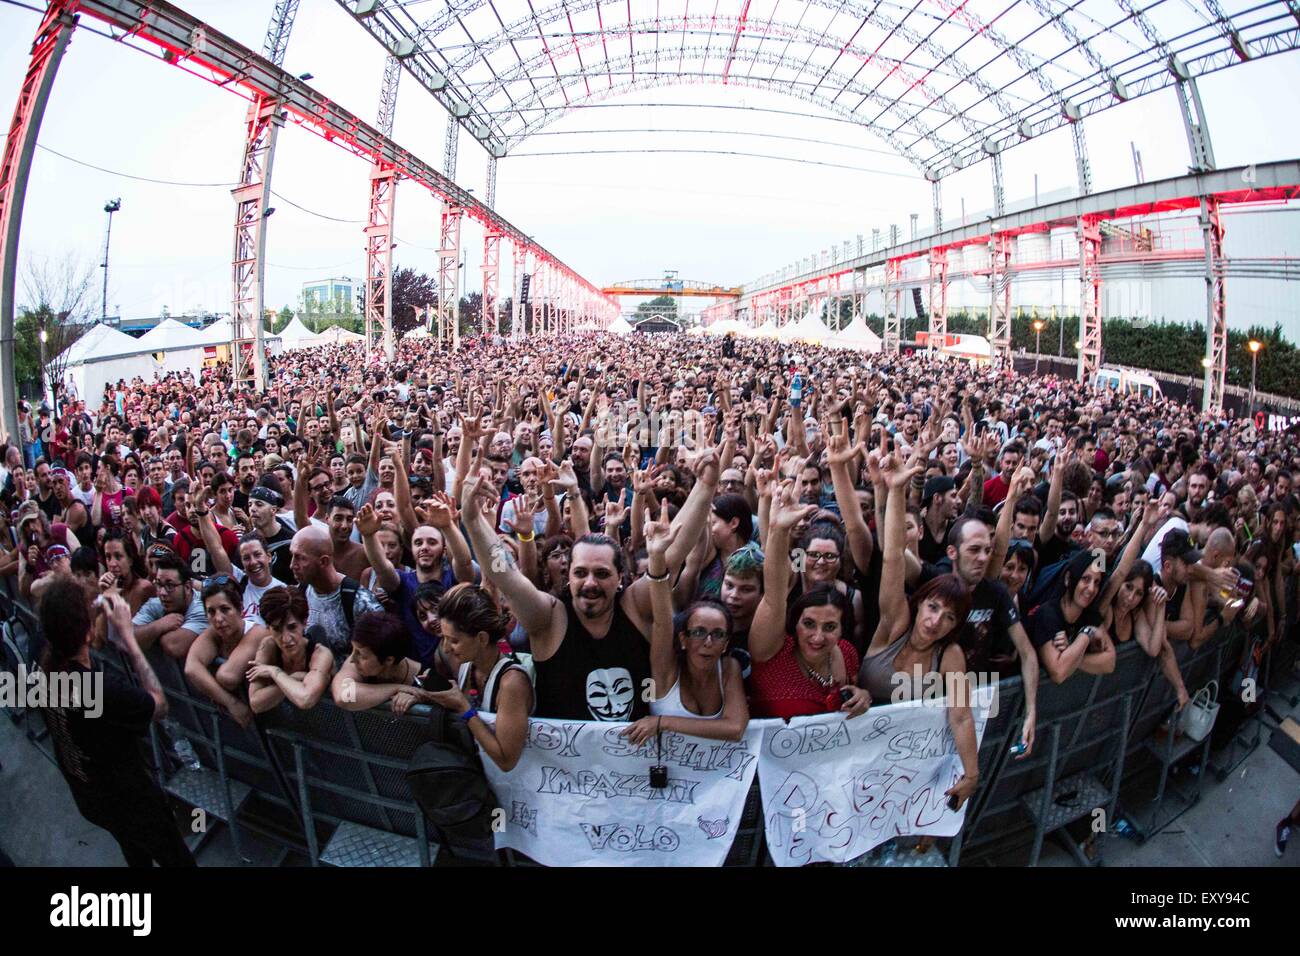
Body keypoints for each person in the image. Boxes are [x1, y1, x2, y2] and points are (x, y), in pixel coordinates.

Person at [40, 580, 195, 867]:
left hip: (90, 795)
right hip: (129, 798)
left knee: (135, 851)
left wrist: (92, 607)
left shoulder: (48, 667)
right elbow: (159, 706)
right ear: (87, 633)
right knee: (173, 856)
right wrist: (129, 639)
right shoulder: (100, 690)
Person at [858, 450, 980, 810]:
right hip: (853, 760)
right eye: (933, 608)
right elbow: (893, 556)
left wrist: (971, 774)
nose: (935, 621)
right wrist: (895, 492)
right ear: (920, 603)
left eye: (948, 618)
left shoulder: (950, 655)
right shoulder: (895, 625)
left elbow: (960, 715)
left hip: (903, 772)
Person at [622, 500, 749, 743]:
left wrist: (662, 723)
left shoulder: (729, 668)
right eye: (699, 632)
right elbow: (661, 619)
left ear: (726, 643)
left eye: (718, 634)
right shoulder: (665, 667)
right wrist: (657, 557)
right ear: (683, 638)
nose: (708, 642)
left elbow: (735, 728)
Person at [747, 479, 871, 720]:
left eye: (830, 627)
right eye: (809, 623)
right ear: (794, 622)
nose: (817, 636)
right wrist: (779, 529)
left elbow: (857, 699)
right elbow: (774, 594)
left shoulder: (847, 655)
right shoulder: (772, 652)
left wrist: (863, 695)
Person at [404, 584, 535, 772]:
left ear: (482, 638)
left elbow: (507, 760)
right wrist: (425, 695)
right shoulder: (466, 665)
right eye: (445, 639)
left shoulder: (512, 683)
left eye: (454, 640)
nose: (447, 648)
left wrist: (464, 708)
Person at [183, 576, 267, 728]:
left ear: (240, 608)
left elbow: (227, 677)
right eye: (211, 612)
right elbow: (191, 668)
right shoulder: (215, 632)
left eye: (225, 609)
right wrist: (232, 703)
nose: (218, 619)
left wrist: (210, 686)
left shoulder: (257, 633)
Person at [246, 586, 335, 713]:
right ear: (268, 628)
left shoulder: (321, 654)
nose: (286, 639)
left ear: (304, 622)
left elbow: (306, 699)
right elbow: (255, 703)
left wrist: (275, 672)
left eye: (292, 627)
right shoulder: (268, 646)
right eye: (277, 629)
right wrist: (295, 677)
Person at [329, 610, 423, 710]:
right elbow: (343, 696)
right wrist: (398, 688)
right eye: (353, 650)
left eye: (361, 655)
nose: (352, 659)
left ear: (388, 660)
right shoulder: (358, 664)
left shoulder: (424, 677)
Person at [131, 551, 208, 659]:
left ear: (187, 587)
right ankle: (97, 676)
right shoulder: (156, 603)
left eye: (170, 585)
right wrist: (159, 625)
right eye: (159, 584)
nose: (162, 592)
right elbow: (128, 637)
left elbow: (173, 646)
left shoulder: (203, 607)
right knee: (99, 674)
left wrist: (148, 636)